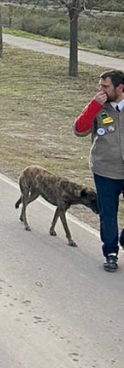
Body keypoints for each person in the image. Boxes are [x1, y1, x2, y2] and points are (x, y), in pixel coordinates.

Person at [74, 69, 124, 272]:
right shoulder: (98, 107)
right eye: (100, 86)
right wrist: (93, 106)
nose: (100, 90)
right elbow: (79, 130)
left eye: (105, 86)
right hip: (105, 171)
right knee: (108, 214)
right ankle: (110, 253)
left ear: (120, 88)